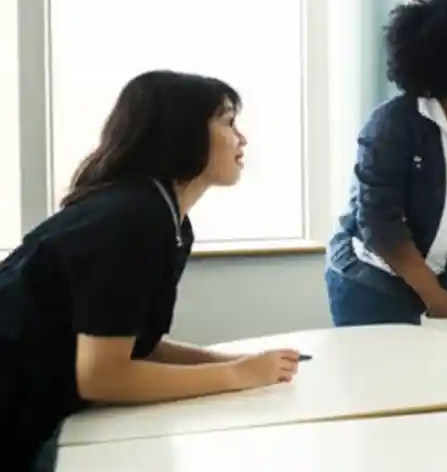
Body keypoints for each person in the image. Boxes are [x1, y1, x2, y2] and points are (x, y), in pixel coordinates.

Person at [0, 71, 301, 471]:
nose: (242, 139)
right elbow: (103, 377)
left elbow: (132, 343)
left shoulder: (164, 218)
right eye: (228, 122)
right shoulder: (131, 220)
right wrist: (236, 374)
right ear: (183, 132)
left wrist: (228, 361)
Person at [325, 0, 447, 324]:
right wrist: (434, 297)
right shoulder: (392, 124)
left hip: (437, 279)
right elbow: (381, 224)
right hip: (371, 282)